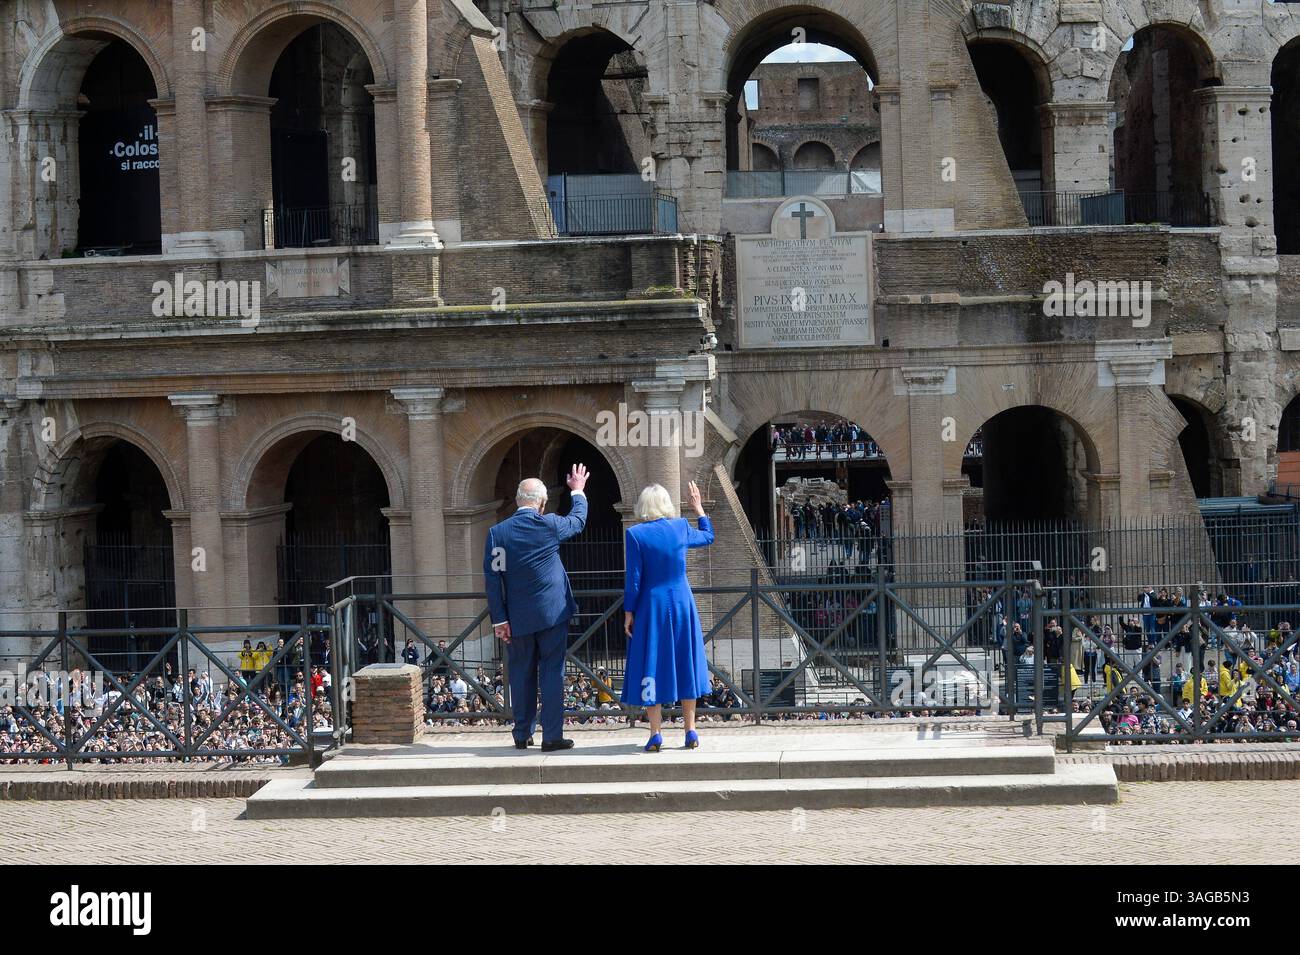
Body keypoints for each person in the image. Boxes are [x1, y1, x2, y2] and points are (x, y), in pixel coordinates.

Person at [483, 464, 589, 752]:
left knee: (520, 674)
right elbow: (578, 521)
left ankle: (522, 734)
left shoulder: (498, 534)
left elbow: (494, 578)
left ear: (518, 501)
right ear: (541, 504)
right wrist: (577, 491)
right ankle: (552, 736)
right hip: (553, 613)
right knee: (552, 673)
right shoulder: (550, 525)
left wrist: (499, 620)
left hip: (516, 619)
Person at [622, 481, 714, 752]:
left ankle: (655, 733)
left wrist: (629, 611)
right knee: (685, 658)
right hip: (682, 601)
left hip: (652, 604)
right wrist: (699, 509)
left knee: (652, 662)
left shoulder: (636, 534)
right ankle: (691, 731)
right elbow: (708, 537)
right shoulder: (681, 527)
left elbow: (634, 579)